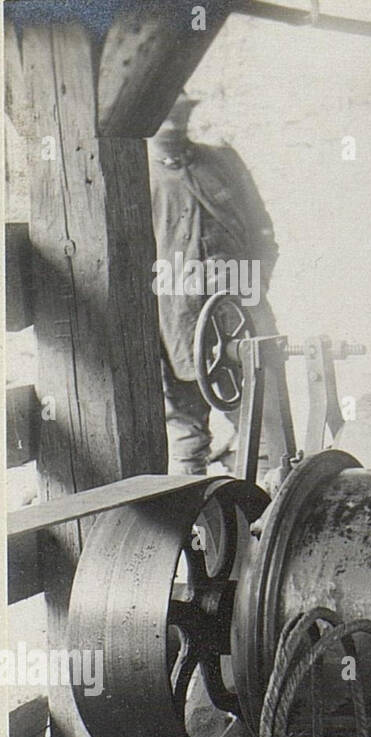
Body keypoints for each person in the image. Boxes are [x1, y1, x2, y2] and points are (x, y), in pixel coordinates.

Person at [149, 92, 281, 476]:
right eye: (164, 117)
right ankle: (193, 527)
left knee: (266, 427)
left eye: (181, 115)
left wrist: (255, 287)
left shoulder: (221, 161)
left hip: (242, 319)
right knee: (187, 439)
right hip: (176, 326)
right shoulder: (138, 175)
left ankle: (269, 518)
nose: (175, 125)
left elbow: (263, 232)